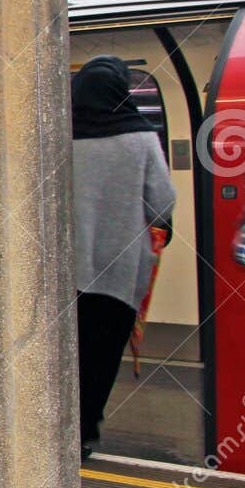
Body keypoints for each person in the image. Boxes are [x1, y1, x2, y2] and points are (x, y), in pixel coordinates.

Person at [72, 55, 177, 460]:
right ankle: (84, 432)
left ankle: (56, 432)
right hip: (118, 274)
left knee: (66, 356)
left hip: (66, 275)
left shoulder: (59, 137)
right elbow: (163, 202)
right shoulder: (141, 138)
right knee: (101, 356)